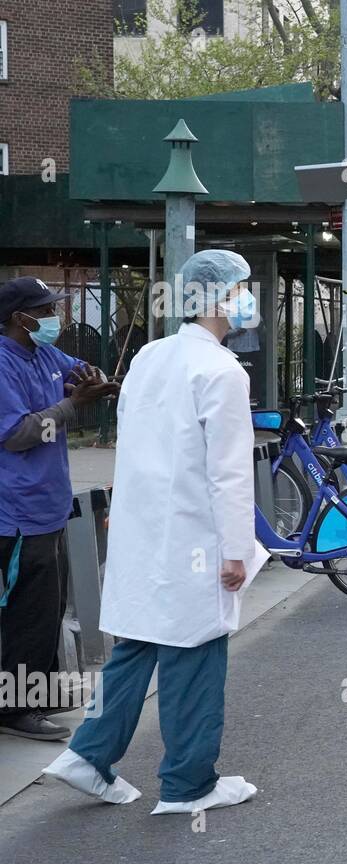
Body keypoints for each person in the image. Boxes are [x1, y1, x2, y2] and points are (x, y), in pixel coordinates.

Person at [42, 249, 264, 812]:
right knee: (194, 652)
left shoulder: (148, 357)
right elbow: (230, 472)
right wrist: (237, 550)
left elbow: (133, 444)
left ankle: (87, 755)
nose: (248, 299)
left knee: (136, 646)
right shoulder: (222, 371)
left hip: (144, 531)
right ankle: (190, 786)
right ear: (217, 298)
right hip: (195, 536)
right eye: (242, 289)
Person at [0, 278, 119, 740]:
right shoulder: (4, 363)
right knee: (25, 609)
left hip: (51, 504)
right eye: (46, 310)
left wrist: (97, 382)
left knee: (48, 606)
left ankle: (41, 692)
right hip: (15, 511)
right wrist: (73, 404)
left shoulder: (46, 355)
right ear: (19, 318)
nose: (56, 317)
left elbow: (82, 373)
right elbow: (18, 435)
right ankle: (14, 709)